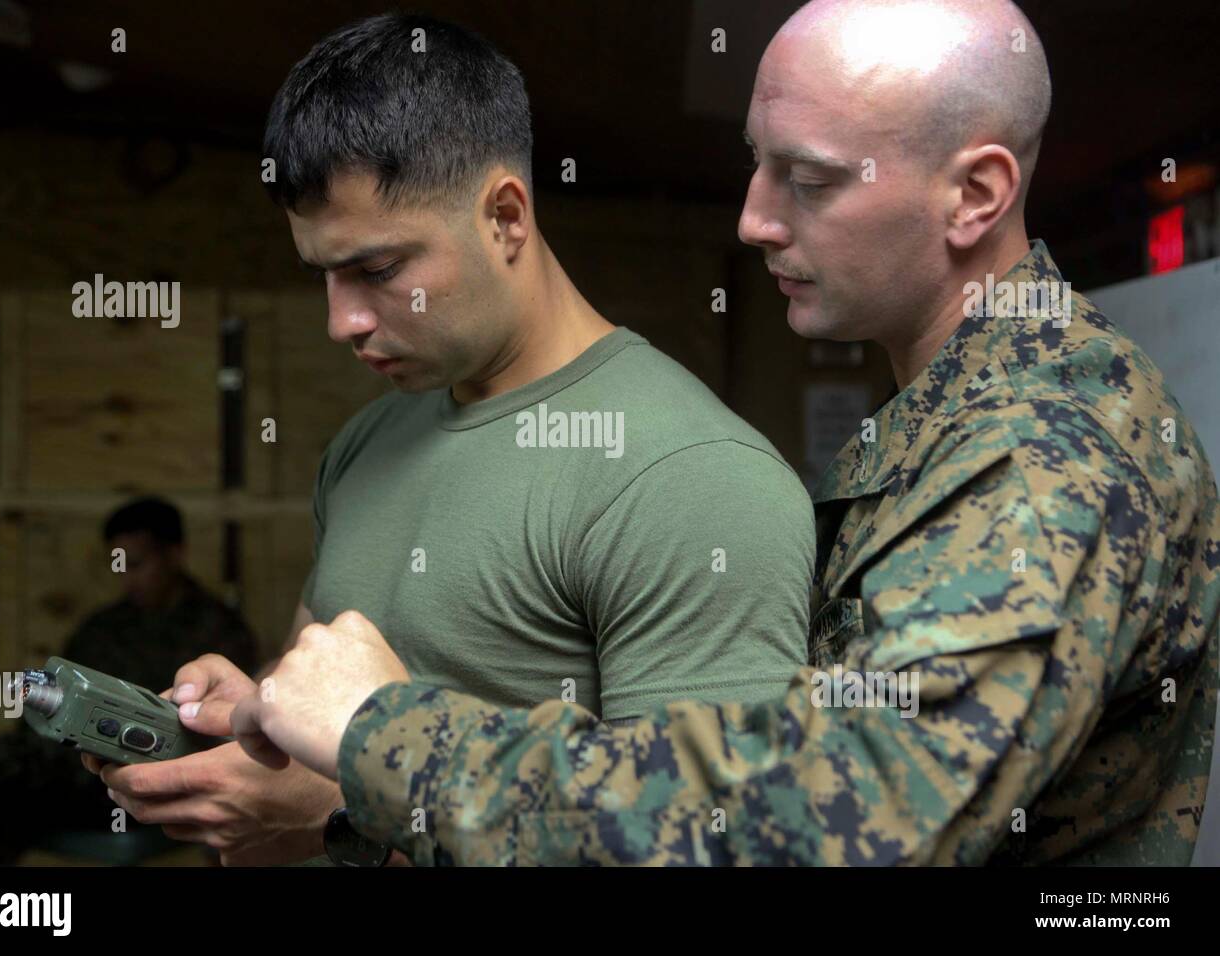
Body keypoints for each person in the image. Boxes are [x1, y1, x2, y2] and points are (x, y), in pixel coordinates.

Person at [225, 0, 1219, 865]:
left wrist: (385, 738)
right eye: (758, 165)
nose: (751, 219)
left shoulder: (1044, 458)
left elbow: (836, 824)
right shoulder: (957, 416)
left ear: (974, 195)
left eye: (810, 180)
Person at [93, 13, 815, 866]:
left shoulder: (693, 482)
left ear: (506, 216)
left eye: (378, 270)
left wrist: (341, 814)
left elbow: (709, 851)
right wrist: (250, 740)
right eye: (323, 273)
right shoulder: (367, 443)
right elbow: (314, 746)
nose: (341, 322)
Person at [0, 497, 257, 865]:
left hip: (120, 783)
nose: (127, 578)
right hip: (49, 769)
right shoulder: (103, 626)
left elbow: (211, 744)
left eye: (138, 564)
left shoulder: (220, 636)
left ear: (175, 555)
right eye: (118, 565)